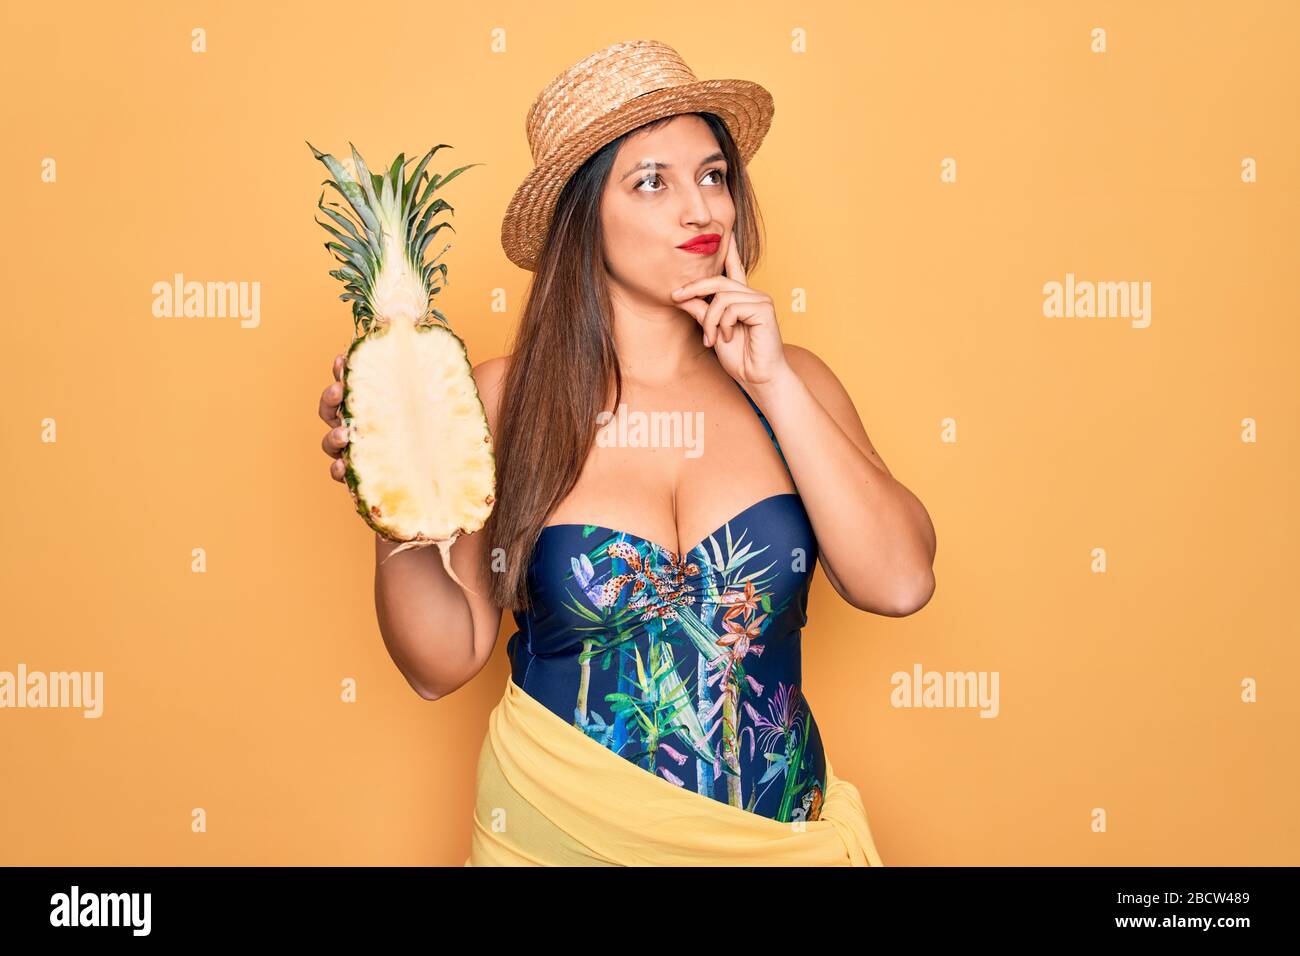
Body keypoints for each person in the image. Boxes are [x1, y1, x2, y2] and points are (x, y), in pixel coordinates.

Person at [318, 39, 936, 866]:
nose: (702, 210)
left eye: (712, 175)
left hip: (776, 847)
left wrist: (774, 381)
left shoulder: (795, 385)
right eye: (652, 181)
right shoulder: (504, 398)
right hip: (558, 840)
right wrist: (390, 489)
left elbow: (900, 583)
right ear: (584, 218)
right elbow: (441, 663)